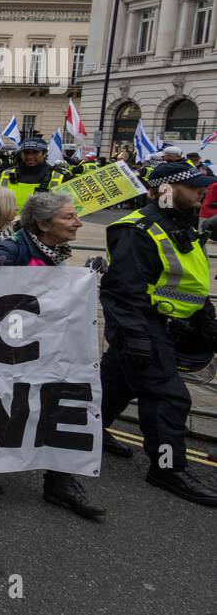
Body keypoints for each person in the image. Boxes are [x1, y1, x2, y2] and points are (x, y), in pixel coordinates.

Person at [0, 192, 105, 518]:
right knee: (6, 402)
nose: (78, 223)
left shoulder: (55, 251)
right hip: (9, 350)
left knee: (59, 401)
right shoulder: (16, 247)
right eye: (69, 217)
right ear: (44, 224)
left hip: (48, 348)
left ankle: (60, 481)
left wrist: (88, 274)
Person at [97, 162, 217, 505]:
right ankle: (167, 468)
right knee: (169, 398)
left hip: (169, 326)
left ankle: (88, 430)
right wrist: (135, 336)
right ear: (165, 189)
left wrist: (206, 321)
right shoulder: (138, 229)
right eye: (194, 185)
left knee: (116, 382)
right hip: (143, 326)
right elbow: (121, 291)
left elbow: (191, 283)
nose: (202, 190)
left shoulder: (183, 225)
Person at [0, 136, 65, 212]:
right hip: (10, 222)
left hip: (43, 223)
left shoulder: (60, 176)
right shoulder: (5, 174)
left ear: (44, 153)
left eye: (35, 152)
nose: (29, 157)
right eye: (26, 153)